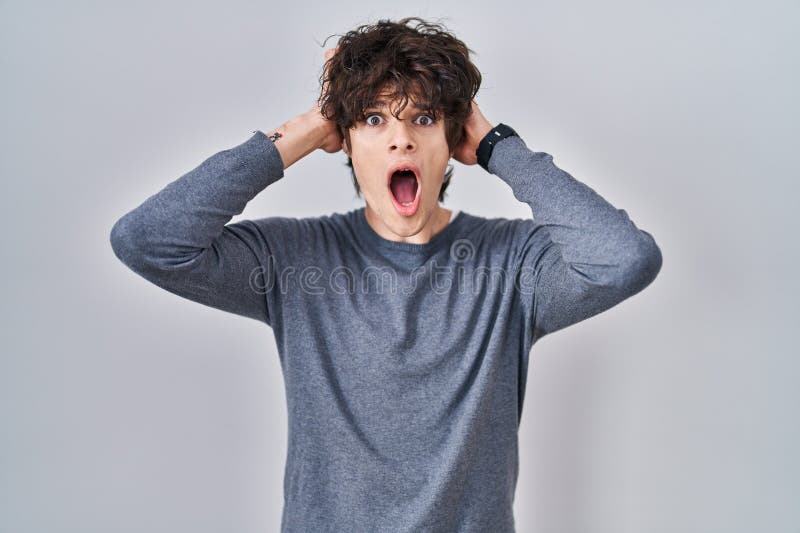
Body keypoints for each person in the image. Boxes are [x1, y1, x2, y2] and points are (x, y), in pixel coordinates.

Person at [110, 16, 662, 533]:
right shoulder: (293, 259)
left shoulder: (514, 266)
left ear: (452, 143)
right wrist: (307, 128)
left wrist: (499, 148)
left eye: (423, 119)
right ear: (346, 142)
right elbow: (147, 241)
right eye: (374, 119)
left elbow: (624, 260)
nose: (401, 139)